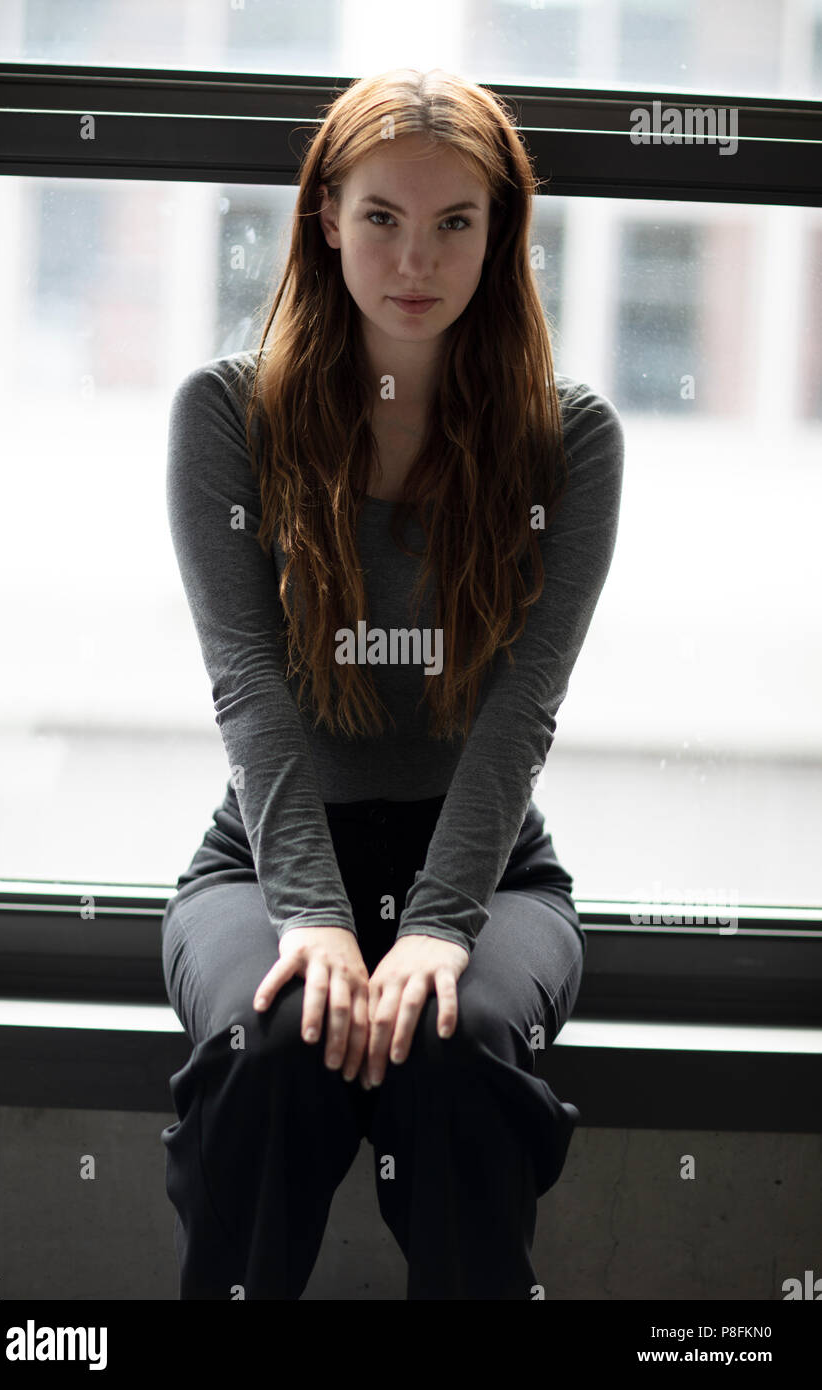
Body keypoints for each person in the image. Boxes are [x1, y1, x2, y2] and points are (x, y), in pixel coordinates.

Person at [160, 66, 624, 1301]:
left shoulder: (568, 438)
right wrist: (315, 916)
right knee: (276, 1046)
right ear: (324, 216)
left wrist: (433, 922)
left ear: (500, 232)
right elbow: (249, 690)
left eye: (454, 223)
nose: (415, 258)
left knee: (456, 1050)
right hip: (267, 857)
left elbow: (520, 713)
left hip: (484, 866)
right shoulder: (225, 413)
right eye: (380, 217)